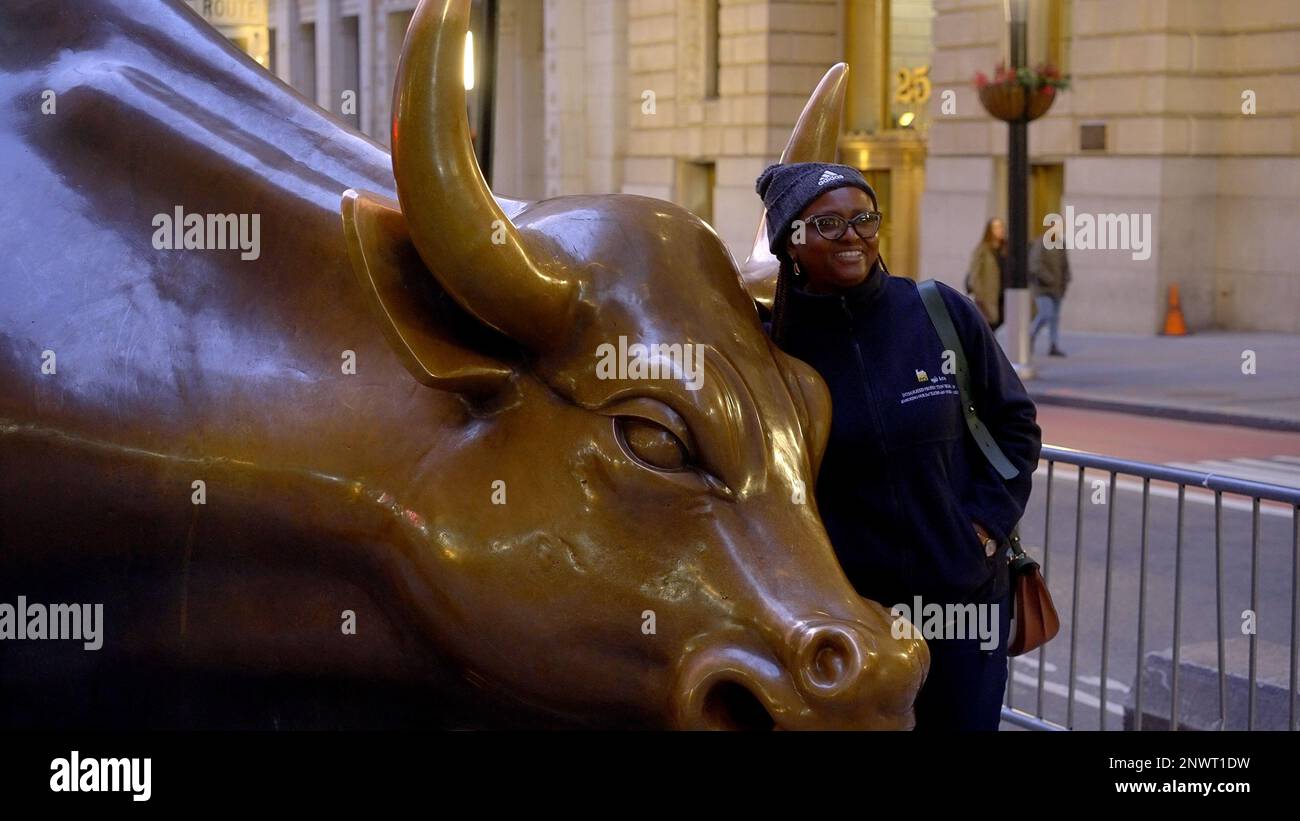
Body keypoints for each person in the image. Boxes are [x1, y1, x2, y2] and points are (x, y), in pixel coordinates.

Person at [756, 162, 1042, 731]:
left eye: (864, 218)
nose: (853, 237)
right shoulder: (770, 350)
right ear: (791, 239)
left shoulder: (938, 313)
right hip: (851, 614)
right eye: (829, 224)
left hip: (963, 604)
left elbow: (1016, 424)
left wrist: (983, 528)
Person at [1028, 231, 1070, 357]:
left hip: (1057, 287)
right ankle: (1030, 335)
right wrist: (1049, 279)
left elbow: (1065, 264)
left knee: (1055, 318)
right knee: (1046, 314)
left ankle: (1053, 345)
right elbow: (1035, 265)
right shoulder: (1040, 243)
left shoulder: (1060, 243)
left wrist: (1066, 279)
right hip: (1043, 288)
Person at [966, 218, 1006, 330]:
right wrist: (979, 293)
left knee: (998, 322)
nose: (1000, 230)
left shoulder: (1004, 250)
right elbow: (974, 273)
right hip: (988, 295)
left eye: (1001, 227)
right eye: (996, 227)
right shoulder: (982, 250)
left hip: (1002, 293)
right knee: (988, 324)